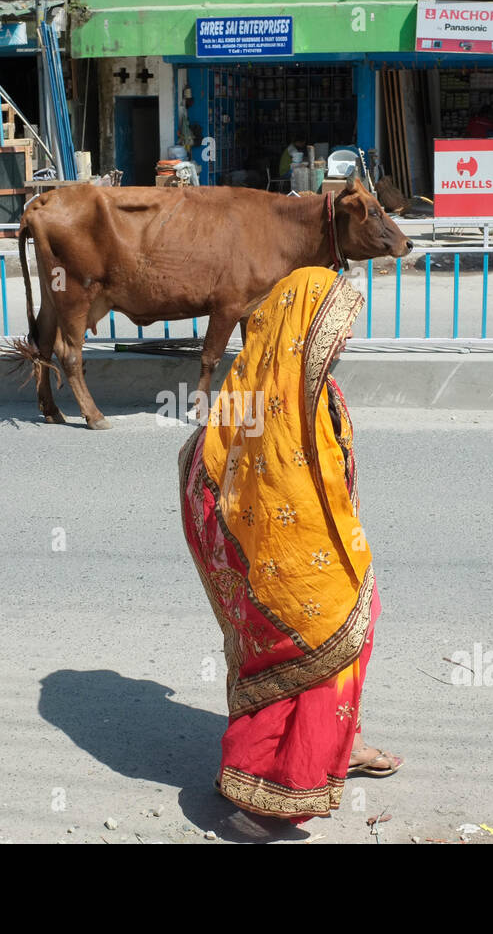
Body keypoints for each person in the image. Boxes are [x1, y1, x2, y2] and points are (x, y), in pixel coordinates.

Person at [178, 266, 402, 824]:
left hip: (326, 545)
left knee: (353, 633)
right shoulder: (270, 394)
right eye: (340, 323)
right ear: (307, 326)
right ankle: (262, 794)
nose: (348, 335)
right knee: (323, 641)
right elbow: (223, 474)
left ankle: (339, 746)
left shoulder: (315, 385)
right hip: (286, 561)